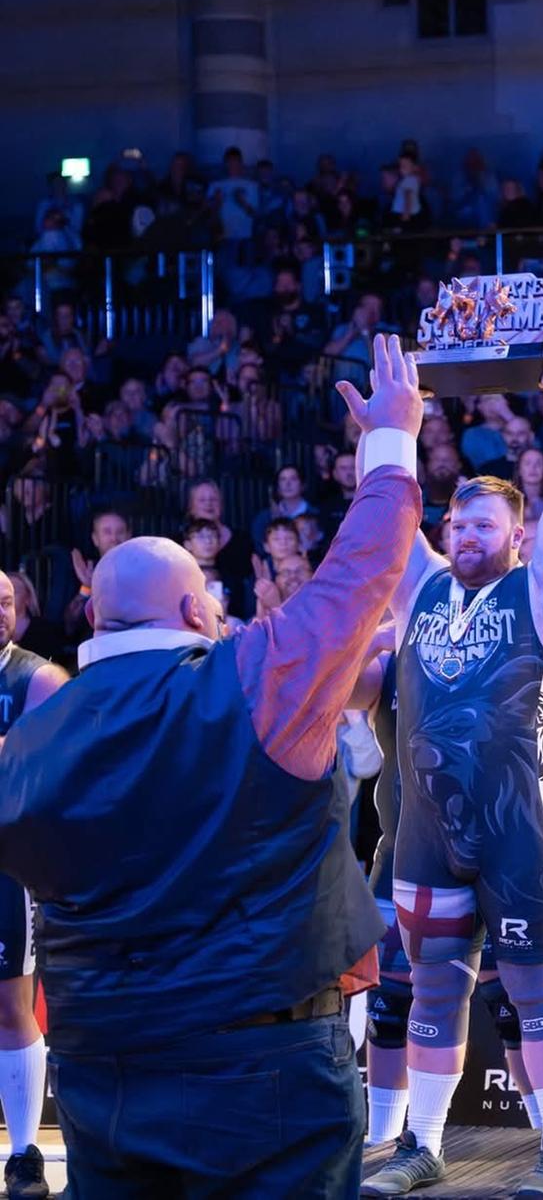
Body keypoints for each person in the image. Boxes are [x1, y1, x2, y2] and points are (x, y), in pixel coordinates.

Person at [0, 334, 421, 1196]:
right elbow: (360, 568)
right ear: (199, 608)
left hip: (99, 1070)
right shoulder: (252, 679)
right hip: (259, 1067)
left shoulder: (30, 732)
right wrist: (393, 438)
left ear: (94, 615)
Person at [363, 343, 543, 1199]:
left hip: (519, 831)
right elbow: (383, 512)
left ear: (517, 535)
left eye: (482, 525)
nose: (463, 535)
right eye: (456, 524)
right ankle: (422, 1144)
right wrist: (390, 431)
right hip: (425, 829)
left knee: (536, 987)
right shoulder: (418, 589)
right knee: (432, 986)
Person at [352, 643, 541, 1149]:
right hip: (407, 857)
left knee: (517, 1008)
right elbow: (334, 685)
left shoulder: (511, 638)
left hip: (507, 858)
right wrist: (377, 630)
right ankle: (383, 1142)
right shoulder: (393, 657)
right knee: (389, 1009)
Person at [0, 581, 66, 1200]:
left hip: (6, 862)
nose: (0, 612)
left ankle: (24, 1155)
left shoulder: (38, 678)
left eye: (6, 602)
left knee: (10, 1007)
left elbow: (59, 758)